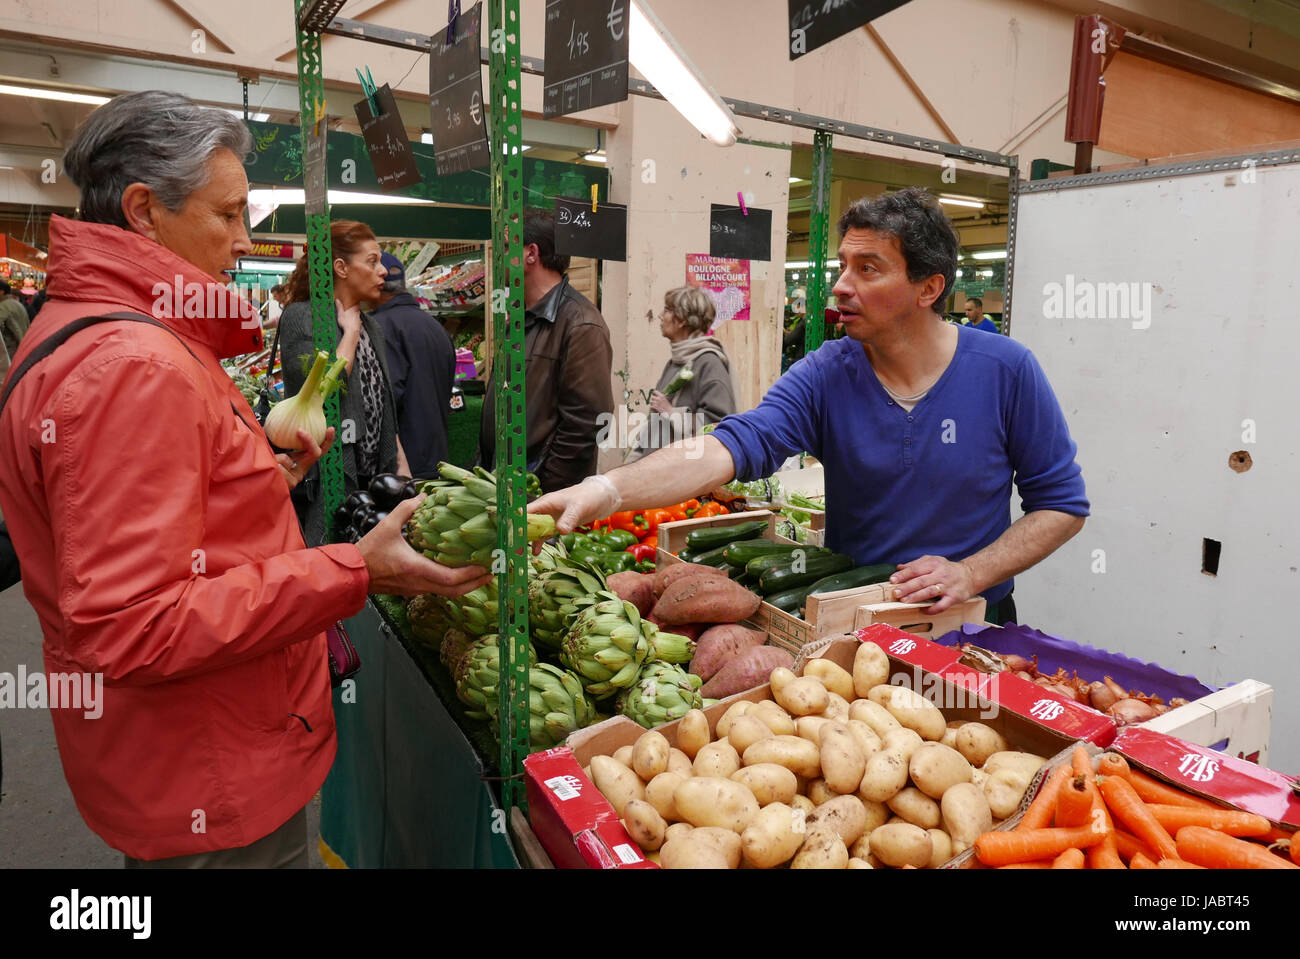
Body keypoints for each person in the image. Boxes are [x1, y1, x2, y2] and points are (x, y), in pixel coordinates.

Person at [0, 91, 488, 868]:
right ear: (143, 210)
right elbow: (137, 622)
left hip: (180, 750)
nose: (243, 238)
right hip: (212, 770)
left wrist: (254, 464)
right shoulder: (132, 365)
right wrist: (354, 569)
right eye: (227, 215)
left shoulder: (96, 330)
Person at [531, 188, 1088, 624]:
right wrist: (608, 489)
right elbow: (733, 443)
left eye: (868, 269)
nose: (841, 286)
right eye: (842, 265)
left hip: (972, 624)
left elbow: (1061, 504)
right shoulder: (826, 372)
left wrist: (971, 572)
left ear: (928, 288)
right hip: (853, 622)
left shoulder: (1006, 370)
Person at [280, 221, 411, 546]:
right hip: (325, 480)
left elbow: (382, 406)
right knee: (328, 570)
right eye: (372, 261)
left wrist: (401, 468)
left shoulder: (372, 327)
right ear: (340, 267)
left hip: (374, 486)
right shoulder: (300, 317)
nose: (383, 271)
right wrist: (349, 334)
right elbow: (320, 393)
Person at [479, 212, 613, 492]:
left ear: (531, 253)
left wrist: (543, 489)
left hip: (539, 497)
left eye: (505, 247)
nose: (498, 257)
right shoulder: (519, 317)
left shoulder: (581, 323)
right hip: (507, 487)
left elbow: (588, 423)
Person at [371, 251, 455, 477]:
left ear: (378, 286)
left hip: (402, 466)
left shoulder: (379, 328)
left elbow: (386, 401)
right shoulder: (435, 326)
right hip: (436, 458)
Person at [630, 285, 736, 459]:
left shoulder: (709, 363)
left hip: (684, 474)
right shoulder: (675, 362)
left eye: (666, 310)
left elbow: (719, 427)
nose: (660, 316)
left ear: (681, 320)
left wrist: (672, 412)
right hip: (658, 470)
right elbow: (656, 421)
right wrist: (636, 459)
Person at [0, 279, 29, 364]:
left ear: (1, 292)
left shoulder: (3, 306)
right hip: (22, 348)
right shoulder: (18, 304)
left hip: (10, 350)